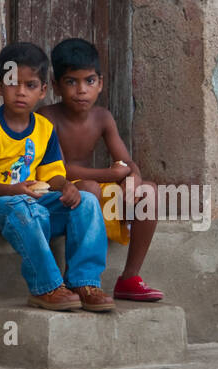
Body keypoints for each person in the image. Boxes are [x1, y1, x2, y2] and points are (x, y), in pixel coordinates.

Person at [0, 41, 114, 312]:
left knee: (87, 201)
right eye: (13, 84)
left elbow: (52, 173)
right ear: (0, 87)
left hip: (32, 201)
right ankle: (45, 287)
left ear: (43, 90)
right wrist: (15, 190)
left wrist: (66, 186)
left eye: (30, 85)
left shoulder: (45, 128)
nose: (21, 92)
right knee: (27, 208)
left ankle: (84, 282)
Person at [39, 37, 163, 302]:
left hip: (96, 187)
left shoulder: (102, 117)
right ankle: (76, 279)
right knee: (90, 189)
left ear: (101, 83)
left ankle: (130, 277)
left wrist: (134, 179)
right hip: (62, 189)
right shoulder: (47, 117)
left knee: (149, 192)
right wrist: (110, 175)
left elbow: (127, 163)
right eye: (72, 82)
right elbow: (59, 169)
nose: (82, 90)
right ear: (56, 85)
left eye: (89, 81)